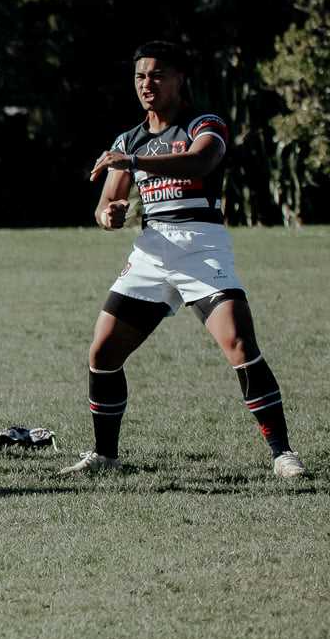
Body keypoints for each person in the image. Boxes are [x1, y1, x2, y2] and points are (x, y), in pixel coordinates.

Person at [58, 41, 305, 480]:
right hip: (152, 251)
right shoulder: (128, 138)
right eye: (140, 76)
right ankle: (106, 455)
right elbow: (105, 206)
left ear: (179, 79)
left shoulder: (202, 124)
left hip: (201, 245)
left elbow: (201, 161)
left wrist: (135, 161)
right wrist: (109, 215)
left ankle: (282, 454)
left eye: (157, 75)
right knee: (103, 352)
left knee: (240, 346)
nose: (147, 84)